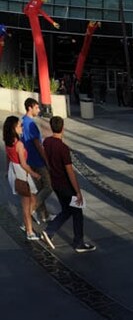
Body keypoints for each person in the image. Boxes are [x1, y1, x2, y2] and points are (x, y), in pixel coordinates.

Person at [40, 116, 96, 253]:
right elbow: (70, 171)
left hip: (55, 182)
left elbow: (46, 160)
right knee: (77, 213)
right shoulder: (63, 148)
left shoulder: (47, 142)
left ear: (51, 127)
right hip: (66, 184)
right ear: (63, 127)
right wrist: (78, 191)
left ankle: (50, 230)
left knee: (67, 210)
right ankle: (78, 243)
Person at [3, 115, 40, 239]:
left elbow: (8, 157)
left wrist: (7, 170)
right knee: (26, 204)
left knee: (32, 198)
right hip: (21, 173)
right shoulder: (19, 144)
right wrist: (34, 174)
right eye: (20, 126)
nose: (22, 127)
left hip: (14, 171)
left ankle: (27, 221)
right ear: (13, 129)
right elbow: (24, 164)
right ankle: (29, 231)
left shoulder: (8, 142)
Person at [22, 97, 52, 225]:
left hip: (29, 159)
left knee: (40, 189)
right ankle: (31, 209)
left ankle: (44, 215)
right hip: (37, 160)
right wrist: (47, 161)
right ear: (30, 108)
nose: (38, 110)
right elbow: (37, 144)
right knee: (48, 187)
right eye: (36, 107)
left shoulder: (23, 121)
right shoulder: (31, 124)